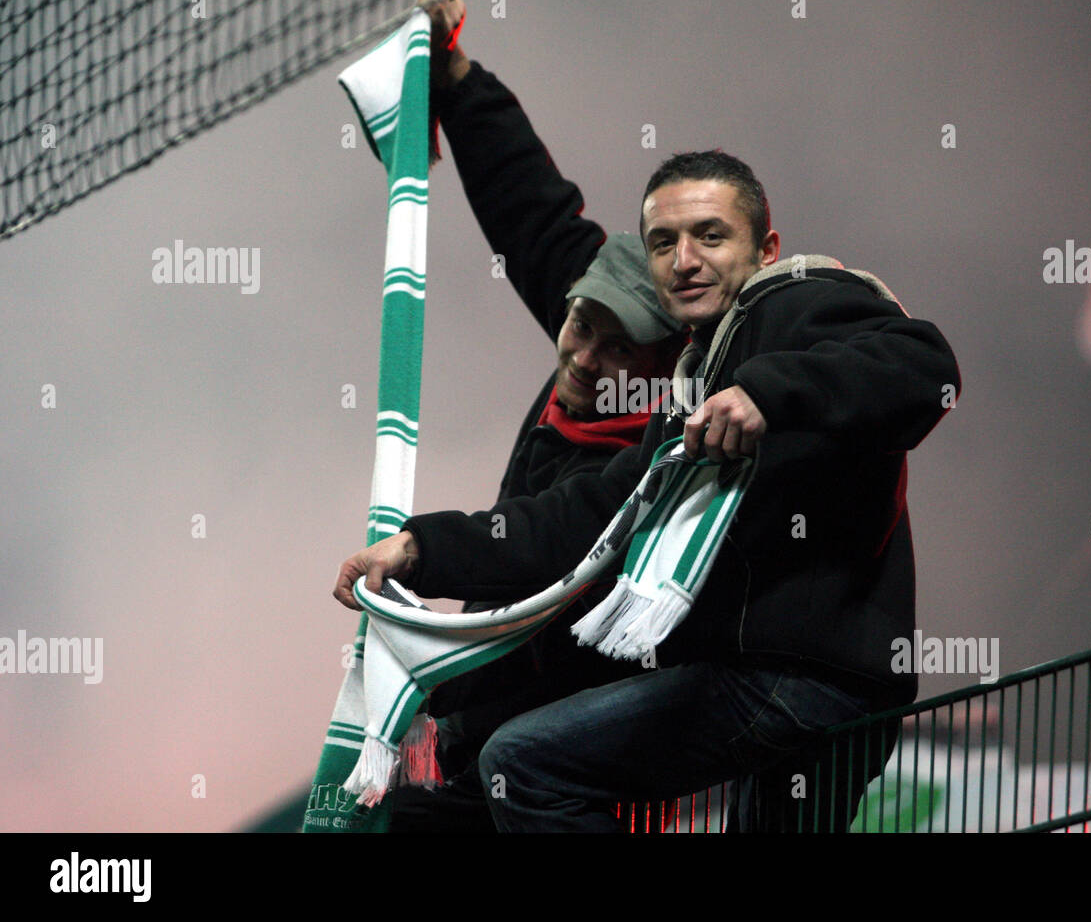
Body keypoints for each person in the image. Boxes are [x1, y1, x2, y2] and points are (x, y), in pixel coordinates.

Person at [334, 148, 962, 832]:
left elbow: (925, 368)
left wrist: (768, 395)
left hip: (798, 678)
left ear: (766, 248)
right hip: (801, 685)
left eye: (710, 236)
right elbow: (582, 520)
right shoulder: (691, 386)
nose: (684, 259)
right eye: (664, 243)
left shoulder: (795, 301)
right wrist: (422, 549)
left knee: (525, 766)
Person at [377, 0, 685, 832]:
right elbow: (531, 203)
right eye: (578, 327)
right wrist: (456, 75)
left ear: (658, 360)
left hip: (575, 728)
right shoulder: (594, 309)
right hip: (497, 710)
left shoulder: (660, 448)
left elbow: (542, 538)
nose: (584, 360)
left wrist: (418, 549)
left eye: (616, 348)